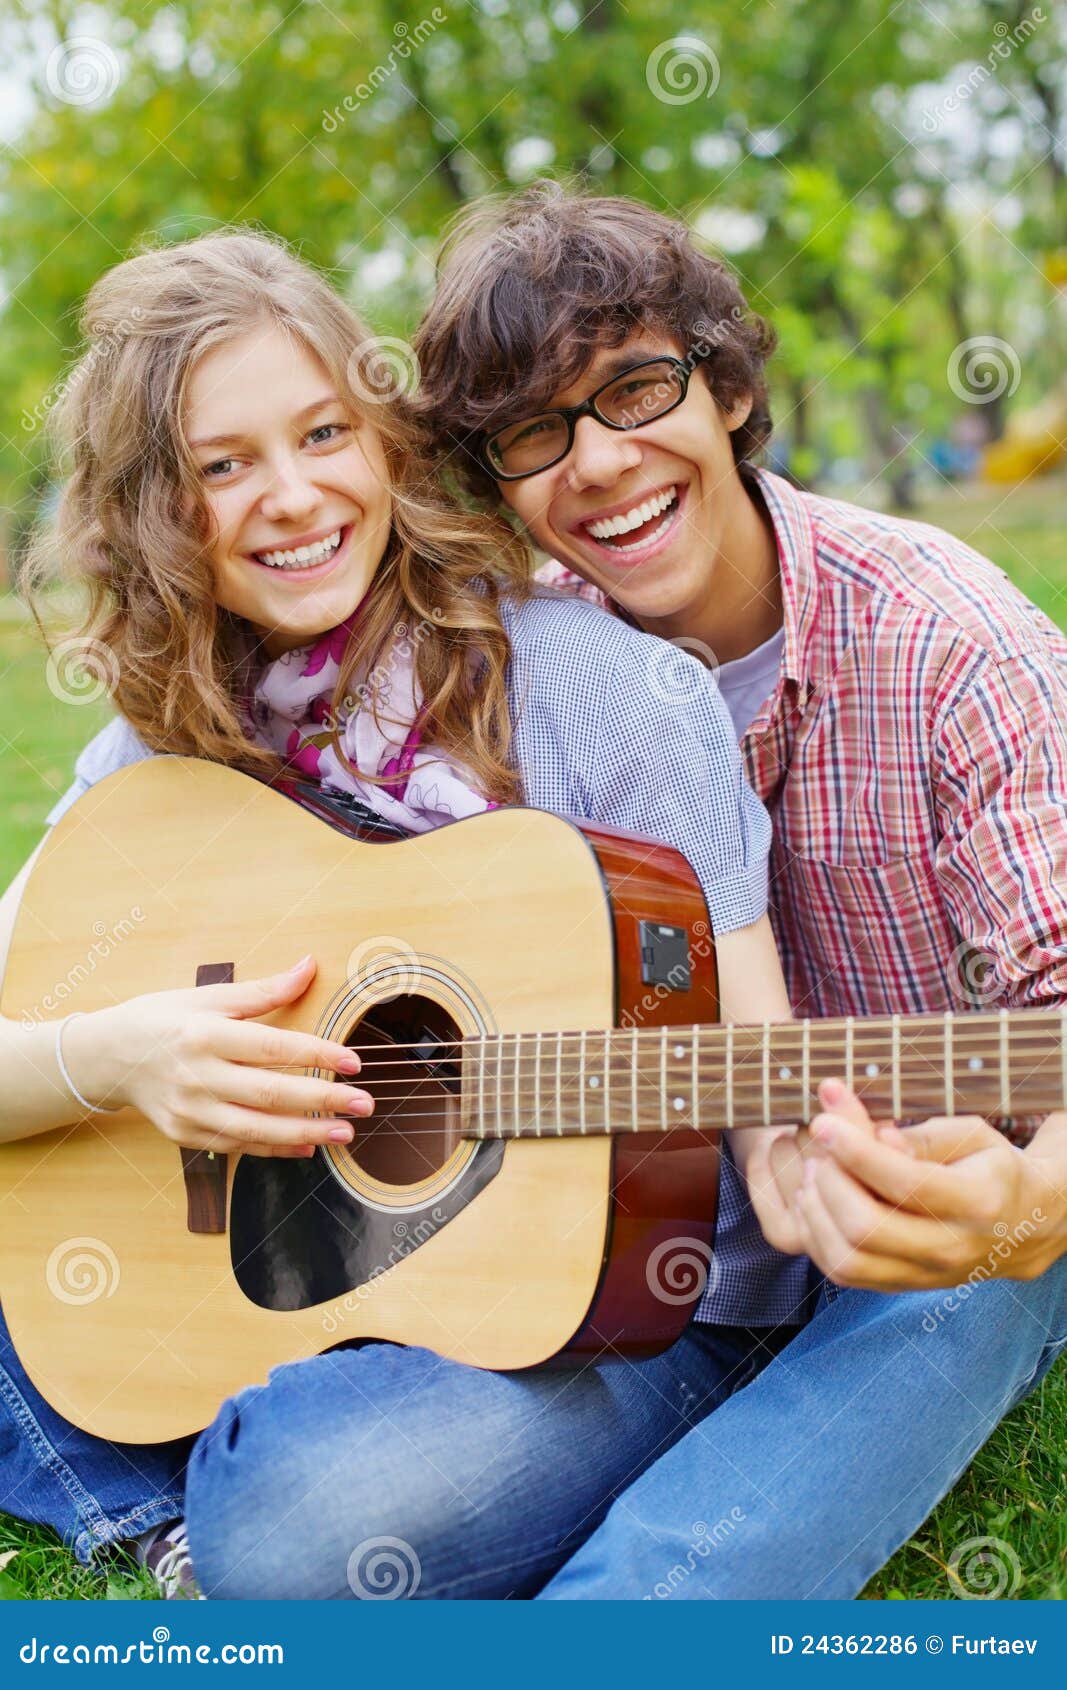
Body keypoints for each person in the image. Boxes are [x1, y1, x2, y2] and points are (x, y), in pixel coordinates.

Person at [1, 228, 793, 1601]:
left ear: (383, 443)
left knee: (302, 1512)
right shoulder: (168, 756)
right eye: (222, 464)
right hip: (310, 1281)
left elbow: (759, 1079)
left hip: (616, 1321)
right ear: (149, 510)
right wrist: (122, 1057)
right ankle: (160, 1490)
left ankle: (186, 1485)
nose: (294, 495)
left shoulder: (597, 693)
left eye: (324, 433)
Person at [411, 181, 1067, 1598]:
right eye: (535, 429)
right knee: (312, 1529)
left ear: (724, 386)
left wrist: (1019, 1205)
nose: (599, 462)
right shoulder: (515, 668)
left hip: (934, 1215)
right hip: (653, 1245)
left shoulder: (954, 646)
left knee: (971, 1286)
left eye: (638, 389)